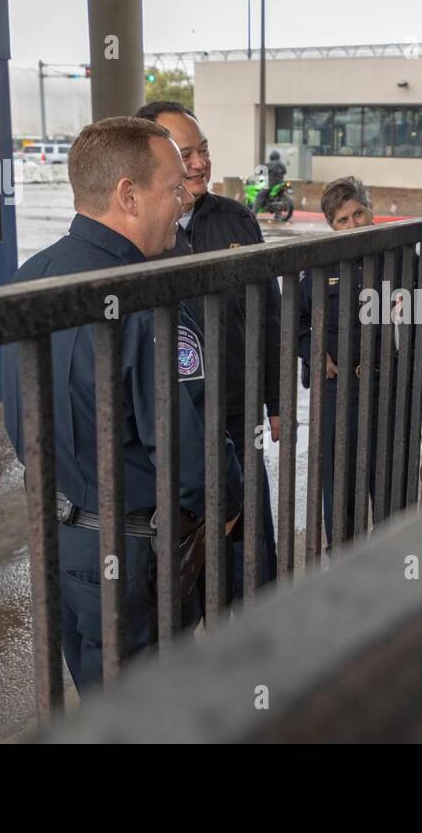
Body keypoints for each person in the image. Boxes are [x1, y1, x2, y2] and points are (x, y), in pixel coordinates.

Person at [0, 116, 243, 692]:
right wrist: (226, 503)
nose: (184, 203)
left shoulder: (27, 280)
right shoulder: (145, 301)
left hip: (64, 539)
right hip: (136, 555)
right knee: (151, 712)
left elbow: (20, 425)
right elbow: (192, 451)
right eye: (174, 188)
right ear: (128, 196)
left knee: (102, 702)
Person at [136, 100, 279, 591]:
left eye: (204, 151)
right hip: (169, 424)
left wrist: (278, 401)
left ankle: (258, 654)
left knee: (250, 554)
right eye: (185, 154)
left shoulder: (237, 220)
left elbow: (269, 310)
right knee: (183, 561)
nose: (198, 164)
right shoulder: (137, 239)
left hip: (238, 415)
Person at [297, 177, 401, 546]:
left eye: (359, 213)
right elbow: (294, 319)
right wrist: (313, 349)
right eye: (343, 219)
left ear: (371, 211)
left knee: (391, 486)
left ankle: (391, 565)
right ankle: (344, 566)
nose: (354, 224)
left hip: (389, 388)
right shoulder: (318, 266)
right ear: (331, 226)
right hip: (338, 392)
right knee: (340, 490)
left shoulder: (401, 257)